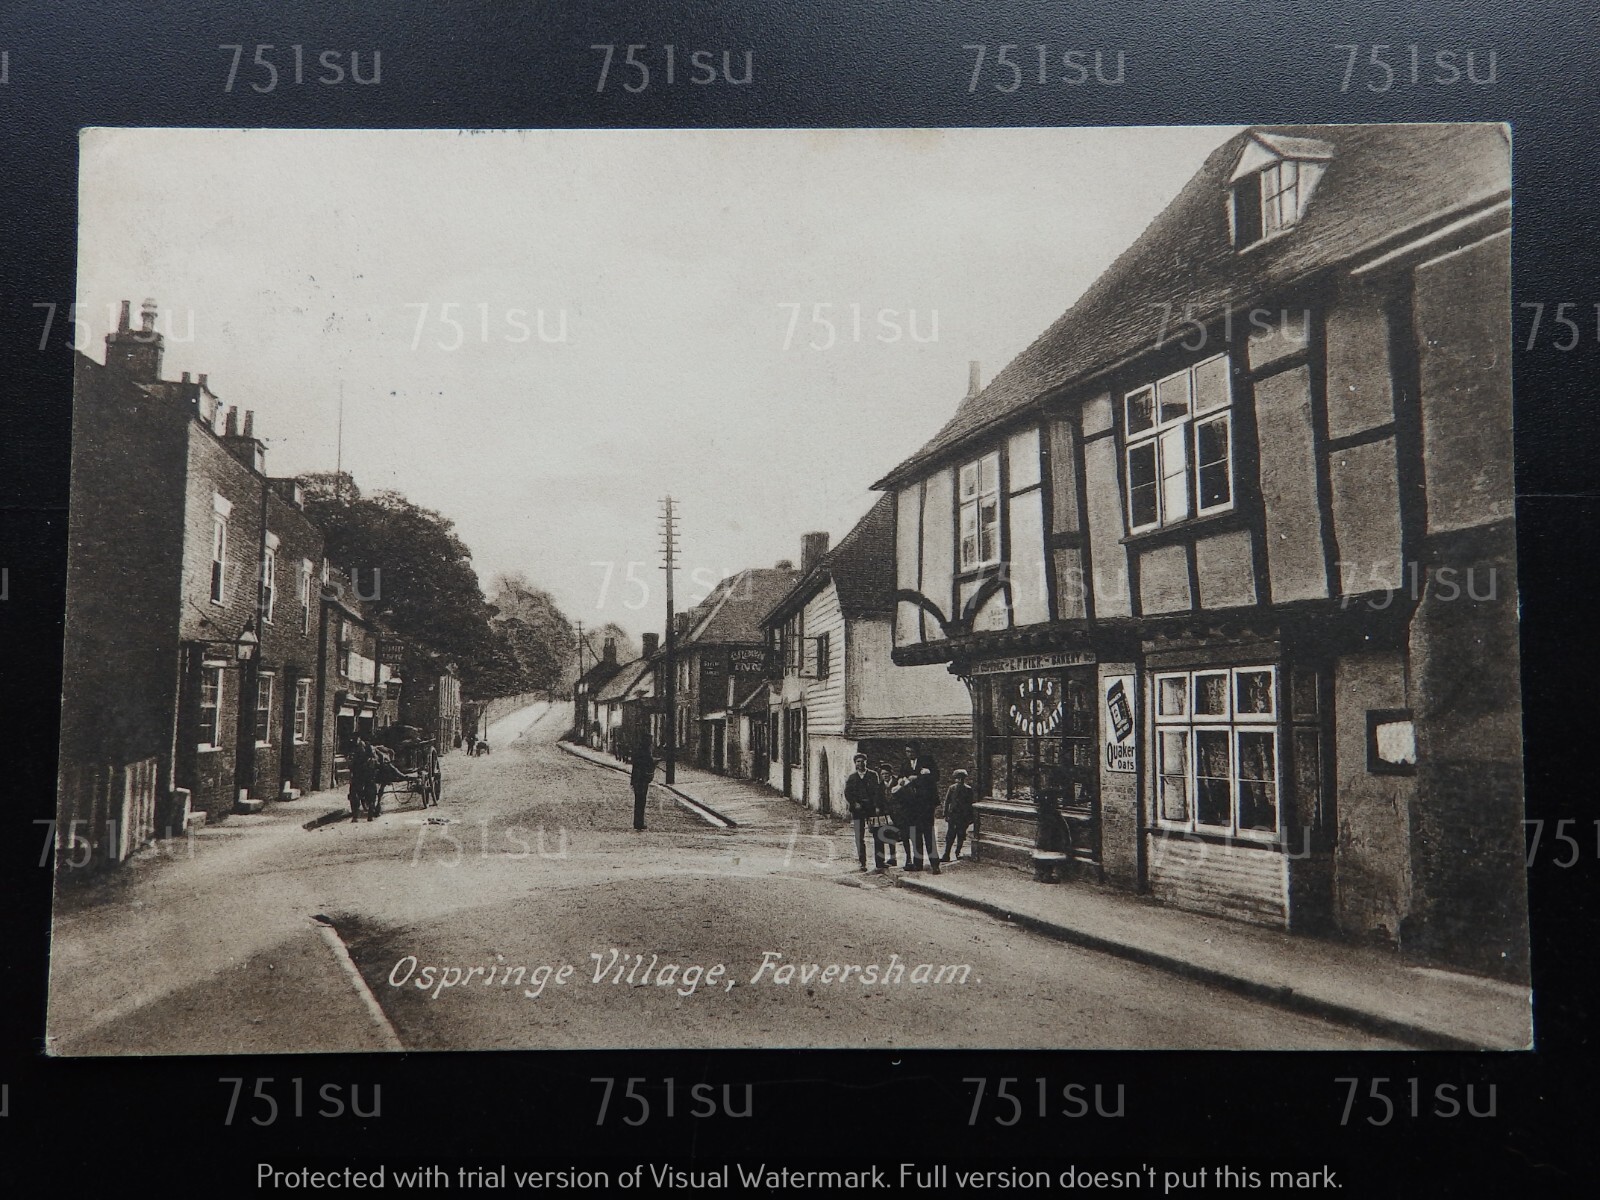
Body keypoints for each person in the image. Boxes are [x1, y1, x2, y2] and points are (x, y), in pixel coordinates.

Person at [898, 742, 941, 873]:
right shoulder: (905, 764)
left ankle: (935, 864)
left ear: (917, 752)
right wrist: (901, 780)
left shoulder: (927, 761)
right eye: (907, 752)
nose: (909, 754)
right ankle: (918, 864)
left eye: (911, 752)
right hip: (912, 805)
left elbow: (936, 777)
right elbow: (901, 778)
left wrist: (916, 778)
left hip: (926, 804)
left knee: (928, 834)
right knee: (915, 834)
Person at [843, 754, 888, 872]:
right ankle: (862, 862)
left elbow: (877, 792)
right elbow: (848, 793)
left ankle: (880, 862)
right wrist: (854, 803)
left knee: (878, 835)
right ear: (855, 763)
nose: (860, 764)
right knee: (859, 836)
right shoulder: (852, 778)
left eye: (863, 761)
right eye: (858, 761)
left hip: (871, 809)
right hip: (858, 810)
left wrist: (877, 806)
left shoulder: (873, 775)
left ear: (866, 762)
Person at [940, 769, 976, 862]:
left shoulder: (968, 789)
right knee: (950, 835)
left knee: (961, 834)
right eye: (958, 778)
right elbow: (947, 801)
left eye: (961, 779)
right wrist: (945, 813)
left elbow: (971, 804)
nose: (959, 780)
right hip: (953, 815)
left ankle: (958, 852)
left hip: (963, 816)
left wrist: (970, 817)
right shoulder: (952, 788)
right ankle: (946, 854)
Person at [630, 735, 657, 830]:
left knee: (638, 801)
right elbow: (648, 764)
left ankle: (637, 822)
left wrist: (632, 781)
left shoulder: (639, 750)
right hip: (642, 779)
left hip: (637, 779)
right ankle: (639, 823)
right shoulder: (646, 752)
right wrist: (654, 762)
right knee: (641, 801)